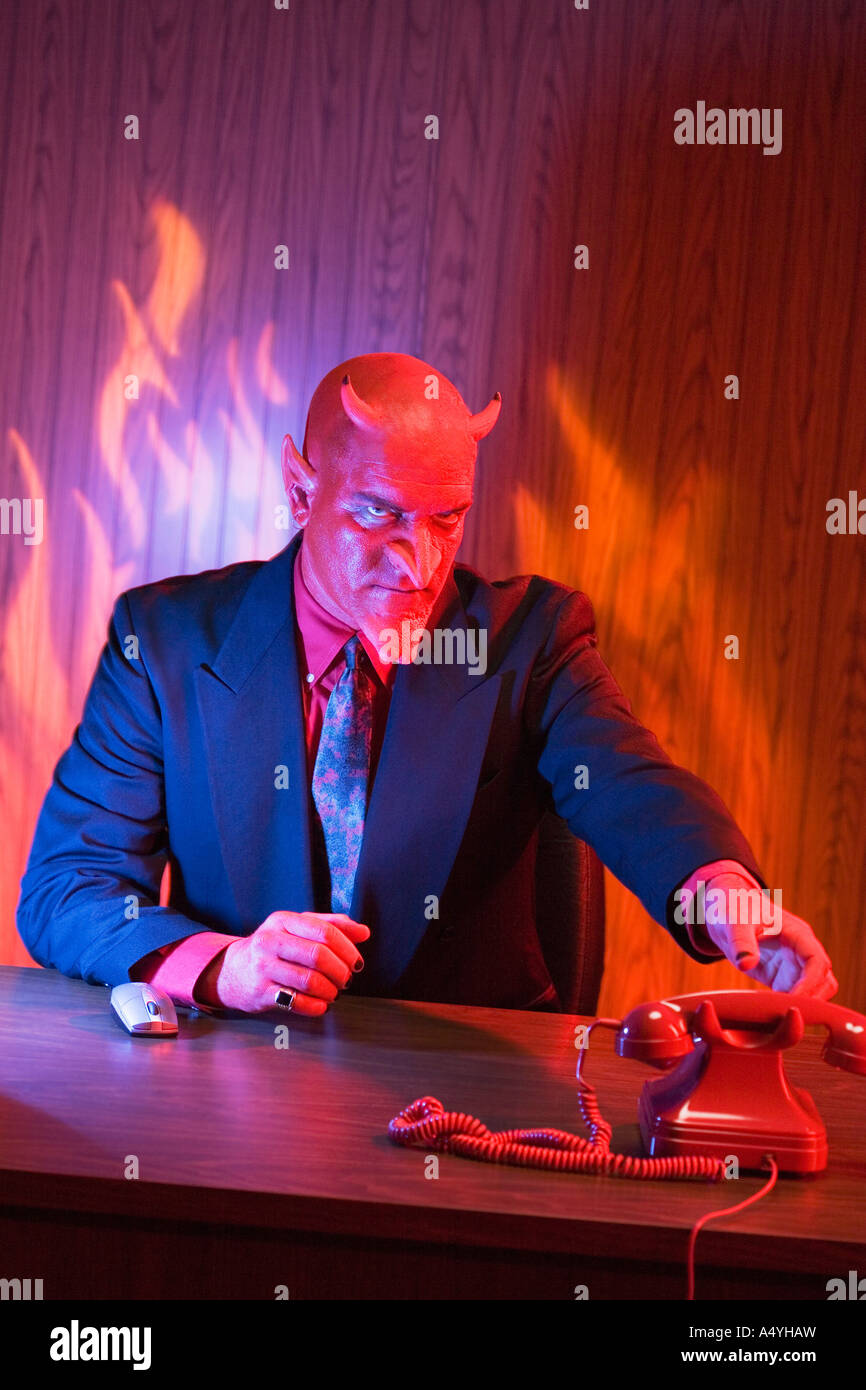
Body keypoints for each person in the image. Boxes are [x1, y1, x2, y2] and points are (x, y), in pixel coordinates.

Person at [16, 353, 837, 1017]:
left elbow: (631, 786)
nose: (420, 563)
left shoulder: (530, 639)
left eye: (447, 518)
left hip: (471, 1101)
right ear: (301, 491)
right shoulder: (161, 642)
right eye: (381, 514)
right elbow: (66, 886)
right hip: (237, 1082)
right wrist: (221, 967)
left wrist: (725, 898)